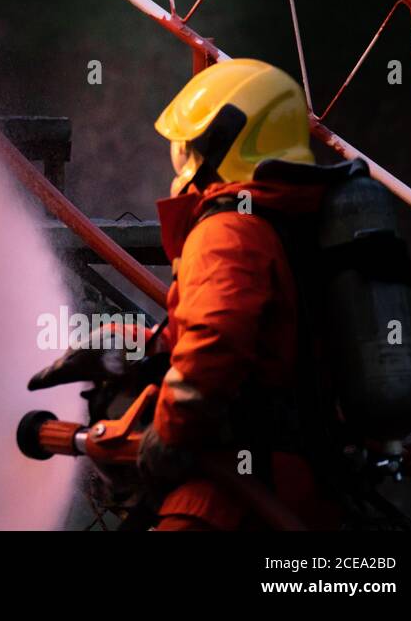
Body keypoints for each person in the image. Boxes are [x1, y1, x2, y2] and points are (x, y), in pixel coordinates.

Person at [138, 58, 338, 530]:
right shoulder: (292, 220)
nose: (181, 166)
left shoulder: (227, 231)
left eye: (186, 149)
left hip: (234, 490)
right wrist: (133, 344)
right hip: (301, 478)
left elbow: (215, 343)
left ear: (221, 143)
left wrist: (167, 436)